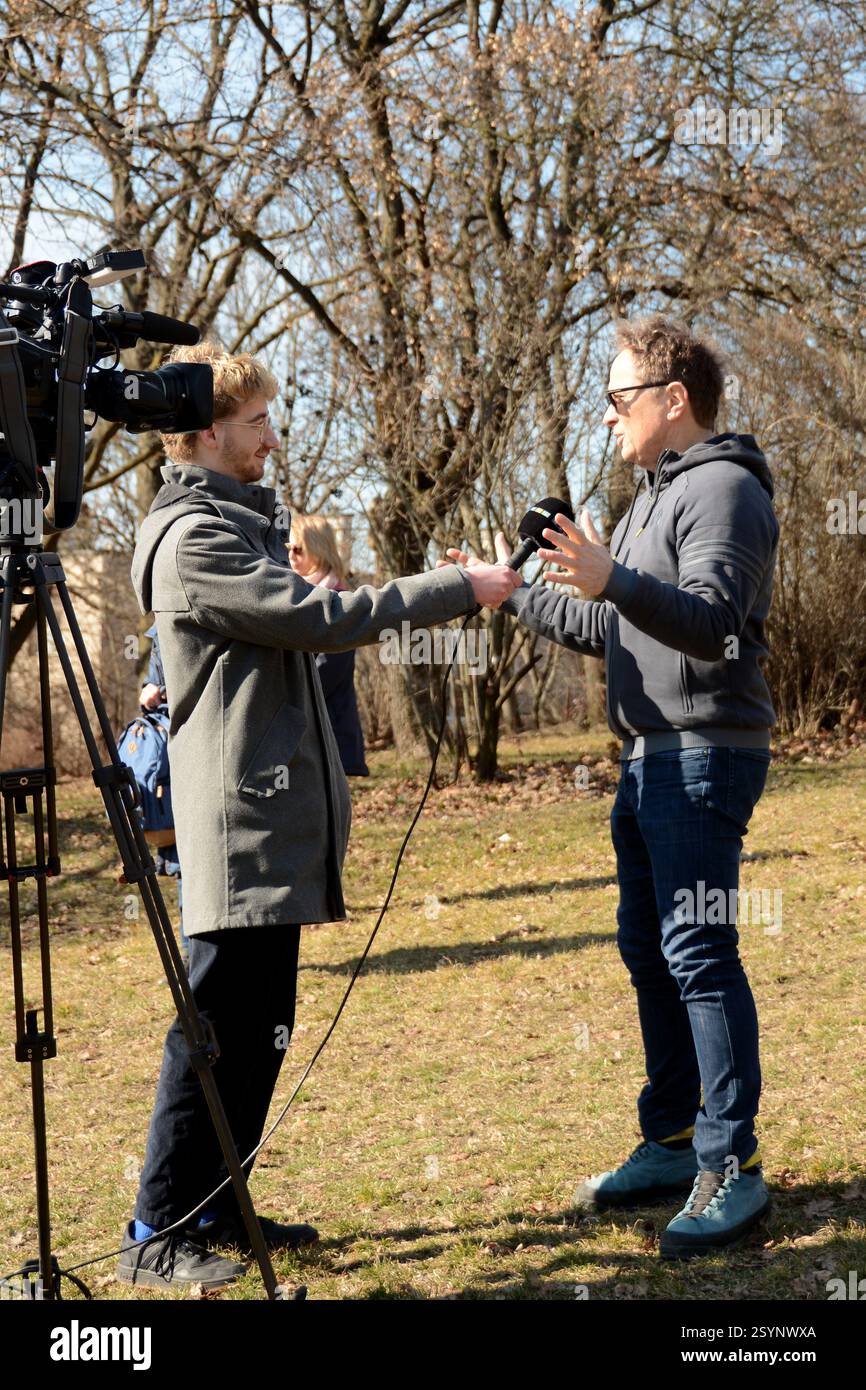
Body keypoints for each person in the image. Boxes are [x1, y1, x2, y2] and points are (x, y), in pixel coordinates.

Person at [118, 340, 520, 1291]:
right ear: (207, 435)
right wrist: (458, 588)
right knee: (213, 1029)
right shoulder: (197, 542)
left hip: (271, 825)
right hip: (236, 830)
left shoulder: (237, 523)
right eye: (257, 423)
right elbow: (322, 619)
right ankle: (154, 1232)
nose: (273, 437)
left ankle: (215, 1204)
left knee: (260, 1028)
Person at [446, 315, 779, 1259]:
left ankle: (733, 1167)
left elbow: (719, 628)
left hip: (704, 753)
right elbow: (614, 627)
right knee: (652, 949)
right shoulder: (649, 499)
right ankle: (674, 1142)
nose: (607, 419)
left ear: (674, 401)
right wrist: (511, 596)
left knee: (700, 954)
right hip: (649, 758)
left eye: (618, 400)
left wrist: (615, 577)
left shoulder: (721, 491)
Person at [288, 514, 368, 776]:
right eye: (287, 548)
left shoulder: (340, 600)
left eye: (298, 549)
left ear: (318, 550)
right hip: (304, 732)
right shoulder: (294, 597)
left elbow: (327, 672)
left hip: (328, 733)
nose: (291, 556)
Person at [139, 623, 186, 958]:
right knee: (186, 867)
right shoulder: (159, 633)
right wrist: (150, 691)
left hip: (205, 755)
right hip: (173, 765)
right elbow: (154, 684)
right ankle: (191, 959)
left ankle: (196, 959)